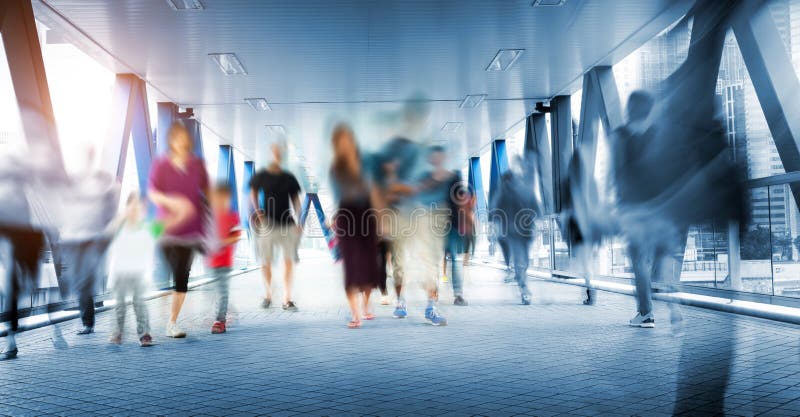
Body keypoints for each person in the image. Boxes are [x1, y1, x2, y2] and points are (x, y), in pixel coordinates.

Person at [148, 121, 210, 338]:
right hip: (167, 229)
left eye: (185, 137)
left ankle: (172, 323)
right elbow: (153, 192)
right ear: (171, 140)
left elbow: (207, 192)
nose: (182, 141)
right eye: (178, 137)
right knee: (167, 270)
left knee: (181, 276)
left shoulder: (197, 164)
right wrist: (172, 202)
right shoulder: (161, 164)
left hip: (191, 231)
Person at [53, 147, 119, 336]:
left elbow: (111, 207)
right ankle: (87, 322)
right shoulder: (70, 180)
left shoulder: (102, 180)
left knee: (84, 279)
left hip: (92, 238)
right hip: (72, 238)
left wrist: (107, 229)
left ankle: (87, 323)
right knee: (78, 281)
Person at [329, 124, 382, 328]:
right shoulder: (335, 168)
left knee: (369, 266)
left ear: (352, 141)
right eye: (339, 142)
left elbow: (374, 191)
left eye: (346, 140)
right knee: (350, 266)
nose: (344, 145)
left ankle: (366, 305)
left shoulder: (366, 162)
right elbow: (339, 194)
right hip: (346, 215)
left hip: (367, 215)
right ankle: (355, 314)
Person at [249, 143, 303, 312]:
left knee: (288, 262)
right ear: (270, 154)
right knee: (266, 262)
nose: (277, 155)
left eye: (280, 153)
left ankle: (287, 299)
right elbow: (253, 192)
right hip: (268, 225)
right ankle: (268, 295)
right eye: (274, 152)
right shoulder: (262, 176)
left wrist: (299, 220)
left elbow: (296, 200)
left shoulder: (289, 177)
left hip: (287, 223)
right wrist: (258, 213)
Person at [409, 145, 455, 325]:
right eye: (435, 158)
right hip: (424, 219)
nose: (439, 162)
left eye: (441, 158)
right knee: (428, 263)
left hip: (441, 221)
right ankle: (430, 306)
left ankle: (430, 304)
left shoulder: (449, 177)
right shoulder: (424, 177)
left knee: (434, 262)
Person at [108, 193, 155, 347]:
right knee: (120, 304)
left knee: (139, 302)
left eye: (138, 205)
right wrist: (122, 217)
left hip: (139, 271)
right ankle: (117, 333)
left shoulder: (145, 226)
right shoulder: (119, 225)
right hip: (120, 270)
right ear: (127, 206)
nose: (135, 208)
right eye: (132, 204)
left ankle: (144, 334)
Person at [491, 166, 538, 305]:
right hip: (524, 231)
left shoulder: (504, 193)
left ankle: (523, 288)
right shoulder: (524, 190)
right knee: (522, 260)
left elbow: (495, 212)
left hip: (514, 231)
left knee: (521, 261)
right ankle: (524, 288)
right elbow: (535, 208)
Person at [207, 182, 242, 334]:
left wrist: (221, 242)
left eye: (222, 198)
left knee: (222, 291)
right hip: (210, 261)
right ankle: (222, 314)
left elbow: (236, 237)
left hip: (224, 262)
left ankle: (220, 321)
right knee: (216, 292)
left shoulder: (233, 217)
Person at [443, 173, 474, 306]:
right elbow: (468, 212)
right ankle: (458, 294)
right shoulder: (462, 194)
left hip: (443, 229)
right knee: (455, 260)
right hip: (457, 229)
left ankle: (433, 292)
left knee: (446, 258)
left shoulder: (443, 193)